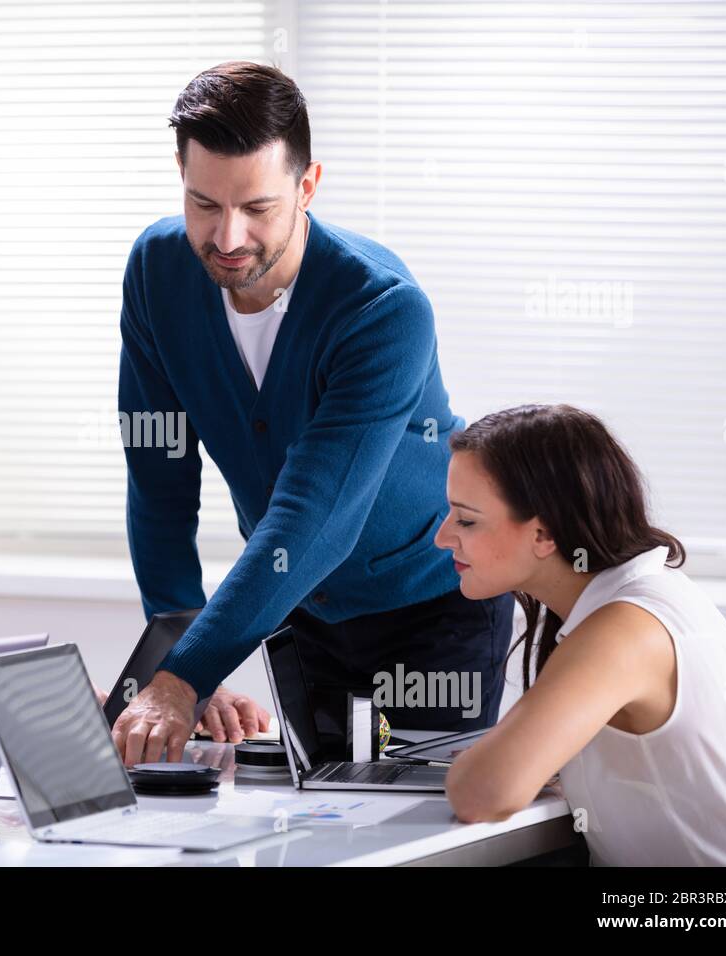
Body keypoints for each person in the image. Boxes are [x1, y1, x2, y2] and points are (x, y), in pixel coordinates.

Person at [114, 61, 511, 765]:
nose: (227, 238)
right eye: (204, 205)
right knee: (318, 822)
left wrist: (183, 677)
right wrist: (180, 655)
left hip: (428, 604)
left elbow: (315, 518)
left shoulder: (382, 309)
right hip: (296, 605)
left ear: (307, 186)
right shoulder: (157, 272)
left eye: (257, 208)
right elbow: (159, 474)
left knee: (418, 828)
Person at [437, 404, 726, 866]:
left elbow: (484, 792)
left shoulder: (625, 628)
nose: (443, 536)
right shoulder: (640, 596)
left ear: (544, 534)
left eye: (466, 519)